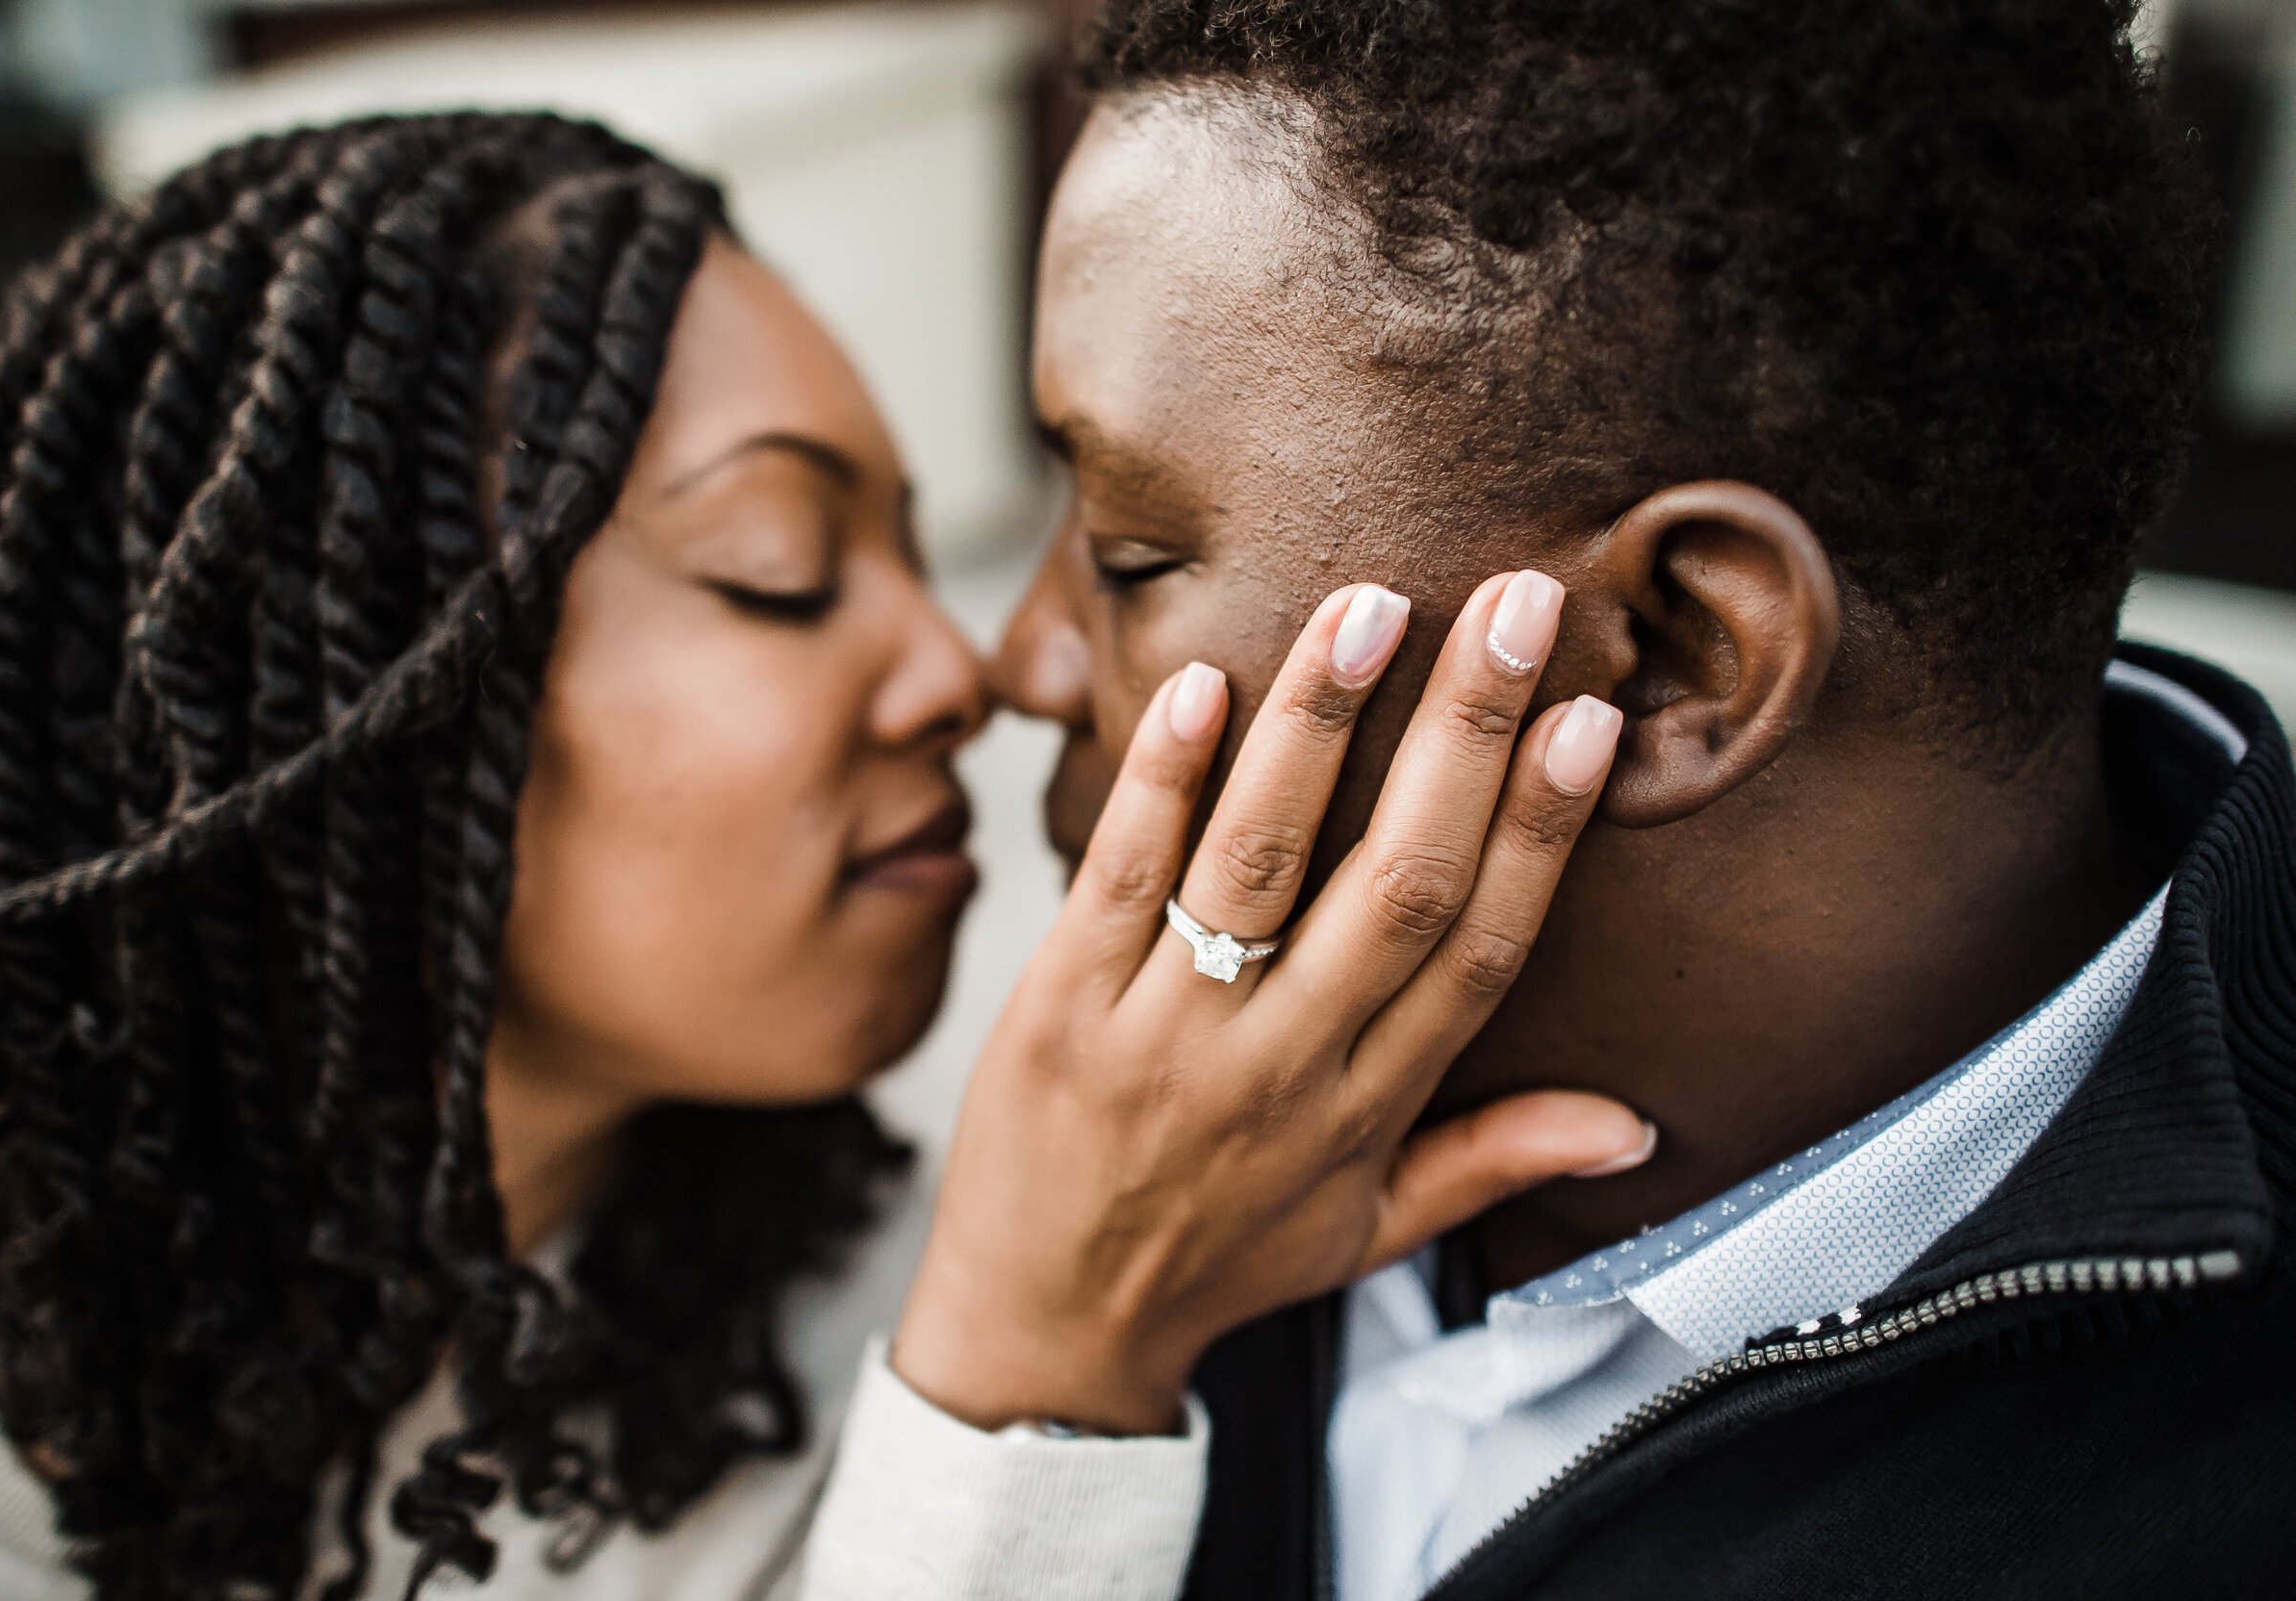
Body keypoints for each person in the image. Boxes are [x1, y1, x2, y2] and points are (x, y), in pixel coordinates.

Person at [0, 112, 1651, 1601]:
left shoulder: (986, 1296)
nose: (959, 675)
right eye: (778, 569)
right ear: (342, 689)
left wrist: (1029, 1382)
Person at [803, 2, 2296, 1597]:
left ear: (1664, 659)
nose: (1019, 659)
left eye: (1128, 556)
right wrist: (1042, 1363)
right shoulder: (1123, 1153)